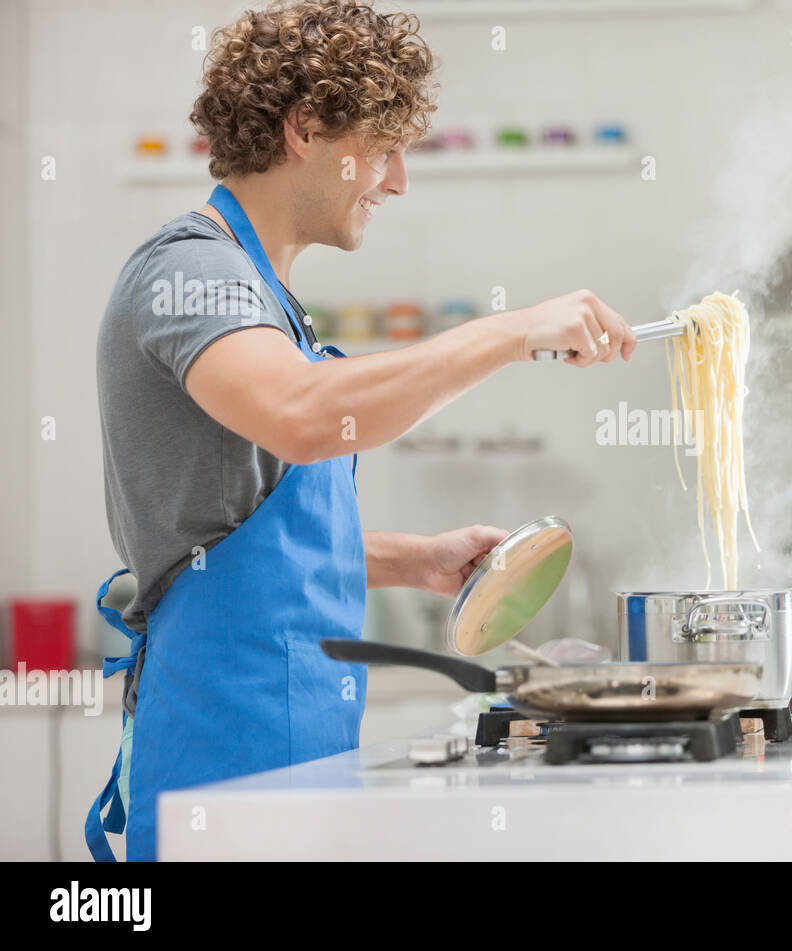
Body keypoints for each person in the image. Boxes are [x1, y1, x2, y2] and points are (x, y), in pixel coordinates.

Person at [88, 0, 636, 861]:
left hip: (302, 773)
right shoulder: (190, 272)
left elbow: (233, 532)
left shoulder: (271, 305)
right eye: (384, 148)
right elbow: (306, 415)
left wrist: (408, 560)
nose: (398, 180)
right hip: (223, 774)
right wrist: (512, 329)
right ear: (305, 127)